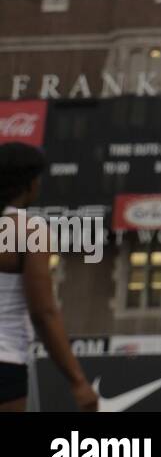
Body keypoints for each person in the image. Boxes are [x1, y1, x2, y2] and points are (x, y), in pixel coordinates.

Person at [0, 143, 97, 412]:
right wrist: (78, 381)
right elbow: (43, 313)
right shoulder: (29, 232)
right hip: (5, 361)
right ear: (29, 183)